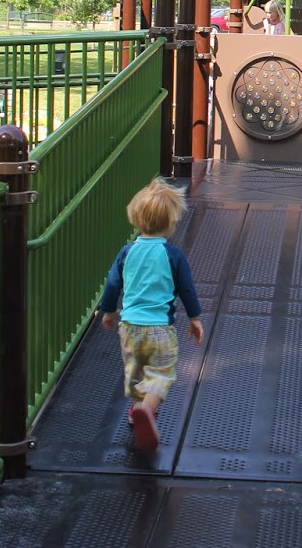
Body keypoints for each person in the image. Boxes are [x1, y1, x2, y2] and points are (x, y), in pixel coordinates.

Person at [96, 180, 204, 452]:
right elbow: (186, 289)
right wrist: (195, 318)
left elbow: (112, 284)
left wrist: (108, 311)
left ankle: (138, 409)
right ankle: (146, 409)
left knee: (136, 373)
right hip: (160, 329)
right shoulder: (172, 255)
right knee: (161, 375)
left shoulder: (127, 251)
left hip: (129, 327)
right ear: (171, 223)